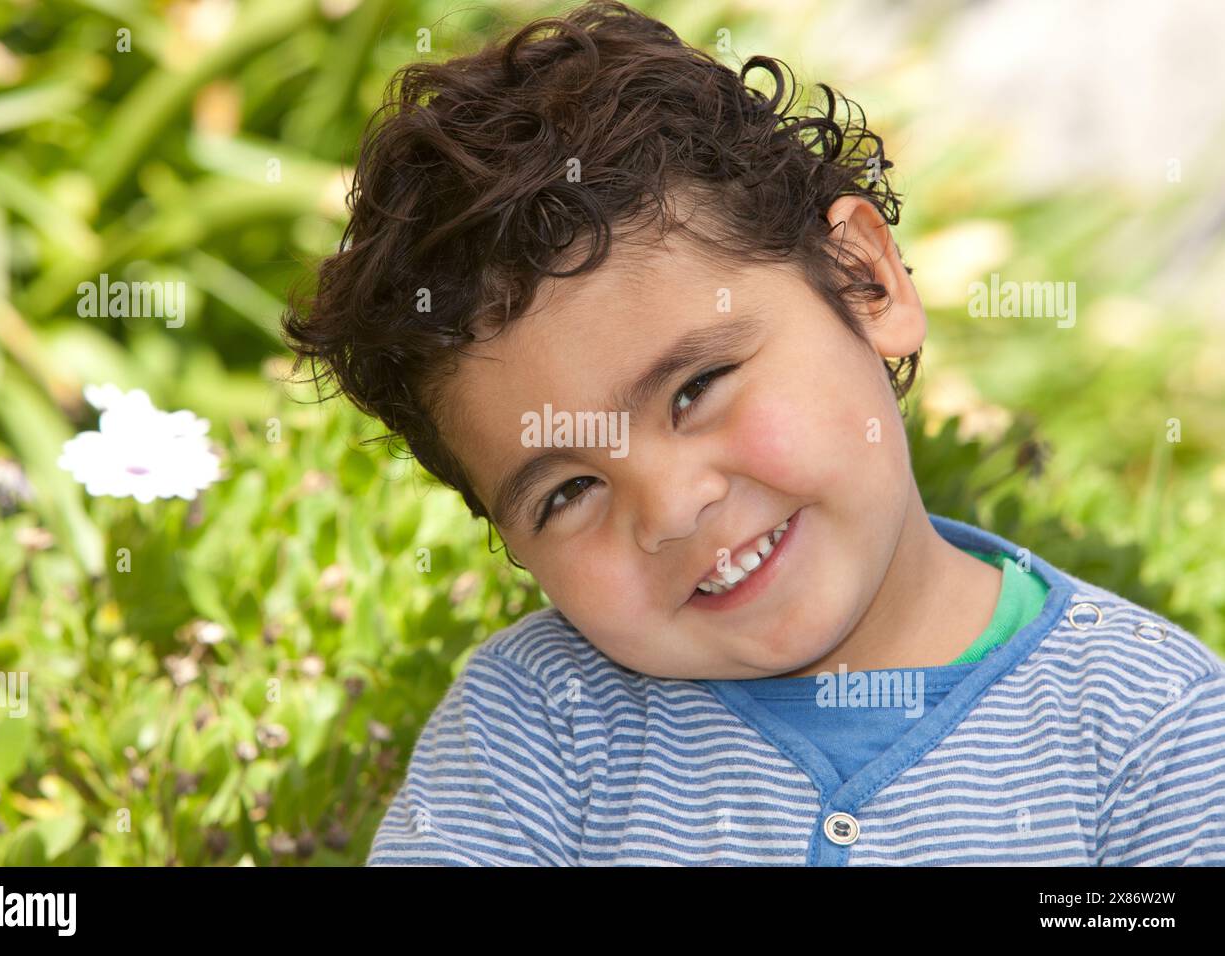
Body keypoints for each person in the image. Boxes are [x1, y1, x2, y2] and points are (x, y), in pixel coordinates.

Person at [282, 1, 1225, 865]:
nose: (669, 507)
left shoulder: (1151, 730)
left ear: (865, 279)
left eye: (695, 389)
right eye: (566, 491)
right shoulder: (536, 729)